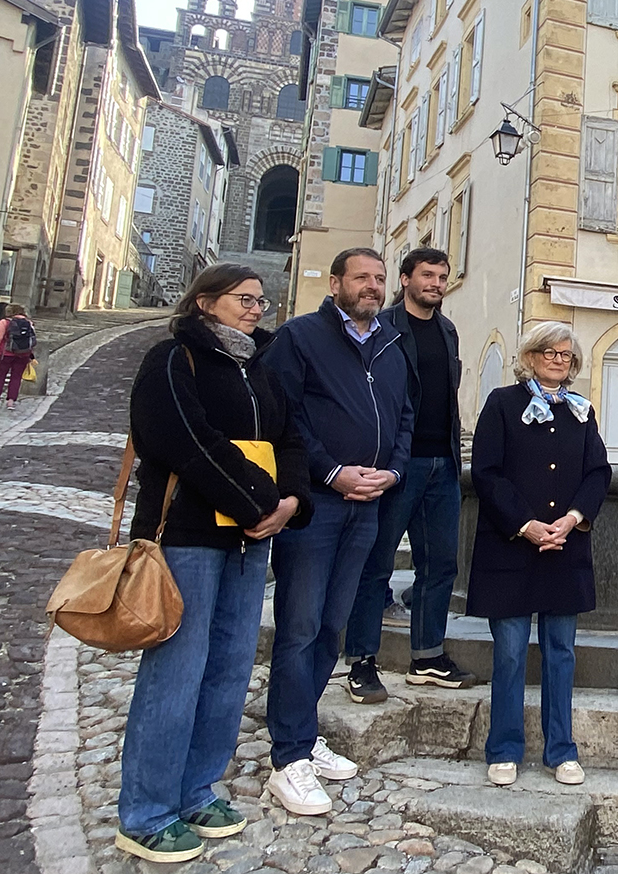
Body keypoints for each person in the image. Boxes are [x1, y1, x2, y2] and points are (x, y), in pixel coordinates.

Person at [115, 264, 313, 862]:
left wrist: (291, 503)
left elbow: (292, 442)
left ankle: (197, 789)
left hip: (250, 542)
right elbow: (183, 440)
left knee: (227, 670)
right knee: (176, 670)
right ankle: (146, 811)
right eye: (243, 298)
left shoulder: (262, 372)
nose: (256, 308)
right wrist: (259, 500)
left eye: (261, 300)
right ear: (205, 302)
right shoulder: (174, 360)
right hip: (188, 536)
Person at [259, 248, 412, 816]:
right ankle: (289, 757)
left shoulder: (391, 344)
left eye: (378, 279)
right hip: (317, 505)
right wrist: (330, 472)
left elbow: (404, 418)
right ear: (336, 282)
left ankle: (303, 732)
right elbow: (285, 418)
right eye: (361, 278)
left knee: (332, 625)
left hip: (367, 504)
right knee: (298, 628)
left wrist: (392, 471)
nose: (371, 287)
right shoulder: (300, 338)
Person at [469, 321, 610, 788]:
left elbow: (598, 473)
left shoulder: (582, 412)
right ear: (529, 357)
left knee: (560, 652)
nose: (557, 359)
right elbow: (487, 474)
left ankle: (561, 750)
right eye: (548, 352)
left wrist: (571, 519)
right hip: (512, 546)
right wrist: (526, 525)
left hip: (564, 548)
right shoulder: (502, 405)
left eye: (566, 355)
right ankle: (504, 748)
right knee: (509, 654)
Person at [345, 248, 474, 702]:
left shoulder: (448, 330)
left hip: (443, 464)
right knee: (376, 564)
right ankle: (361, 661)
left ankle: (428, 657)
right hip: (399, 463)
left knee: (439, 564)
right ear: (405, 280)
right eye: (427, 276)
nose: (436, 283)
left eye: (442, 276)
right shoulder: (383, 328)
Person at [0, 303, 37, 410]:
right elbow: (32, 340)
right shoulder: (29, 323)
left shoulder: (4, 322)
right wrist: (30, 355)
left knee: (0, 376)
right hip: (23, 354)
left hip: (6, 354)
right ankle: (11, 402)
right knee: (16, 377)